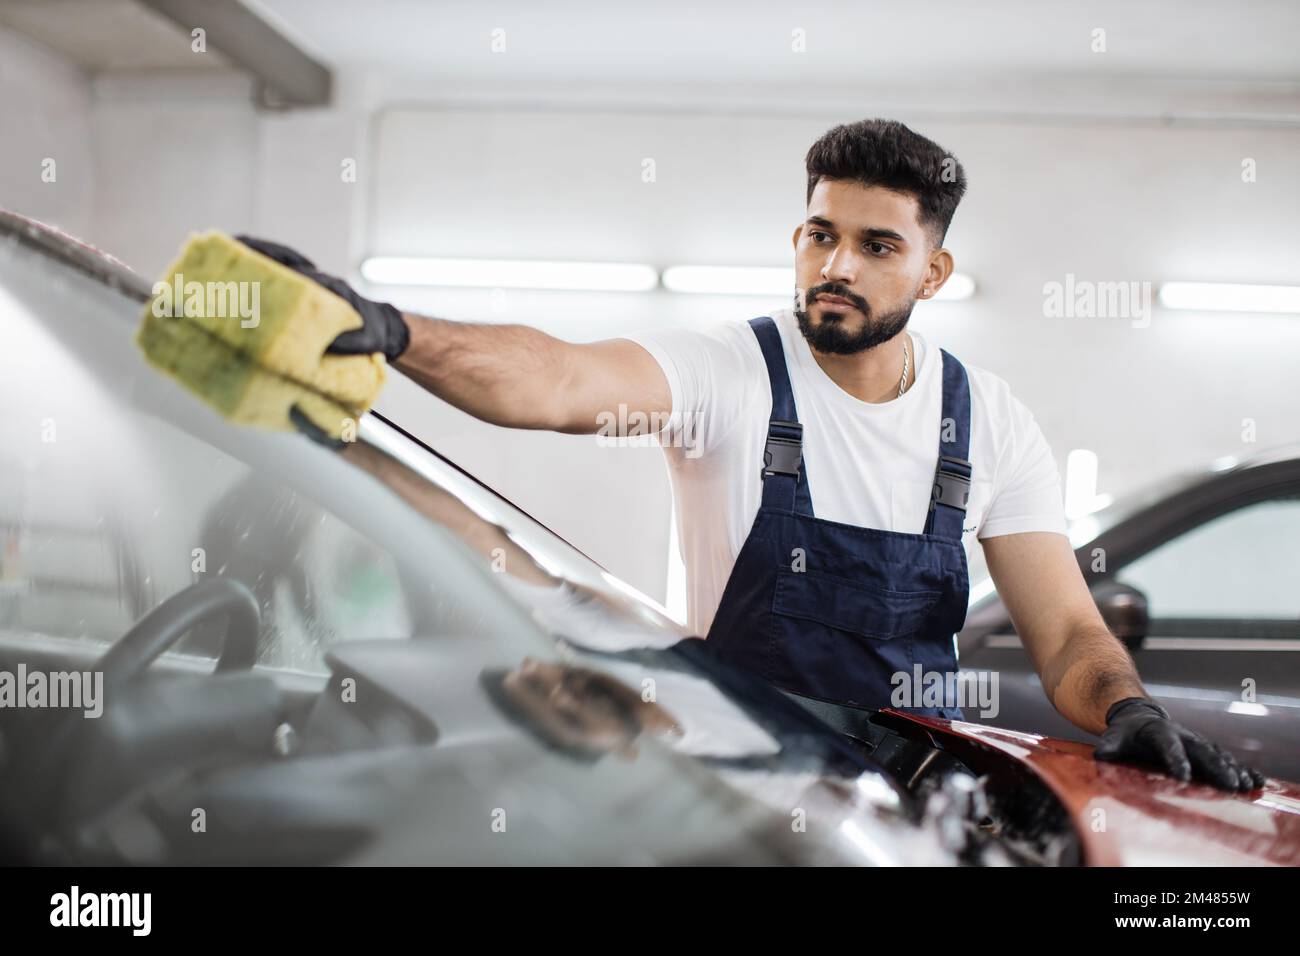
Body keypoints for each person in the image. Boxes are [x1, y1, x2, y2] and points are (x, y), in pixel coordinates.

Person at [237, 117, 1263, 792]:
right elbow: (552, 382)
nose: (835, 267)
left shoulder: (986, 422)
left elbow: (1069, 632)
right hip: (729, 787)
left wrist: (1126, 707)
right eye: (819, 235)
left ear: (934, 270)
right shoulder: (734, 373)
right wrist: (387, 324)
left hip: (902, 802)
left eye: (874, 246)